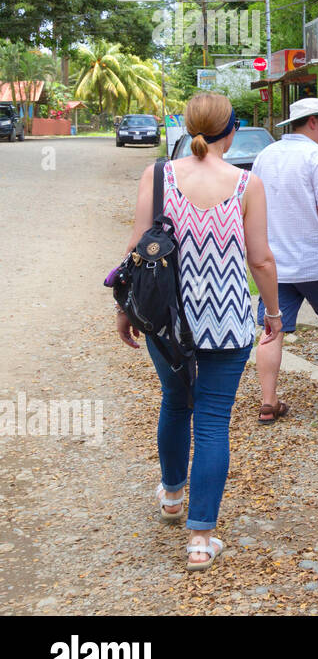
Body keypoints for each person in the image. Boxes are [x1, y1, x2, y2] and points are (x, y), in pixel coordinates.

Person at [116, 92, 280, 571]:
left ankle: (171, 496)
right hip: (227, 318)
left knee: (175, 402)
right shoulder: (248, 184)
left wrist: (124, 308)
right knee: (211, 421)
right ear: (231, 131)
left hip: (164, 317)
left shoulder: (159, 176)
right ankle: (201, 540)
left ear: (188, 128)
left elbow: (137, 246)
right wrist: (272, 312)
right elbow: (261, 259)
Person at [252, 97, 318, 419]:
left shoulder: (265, 156)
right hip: (317, 263)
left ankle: (268, 401)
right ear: (312, 122)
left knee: (272, 328)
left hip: (274, 265)